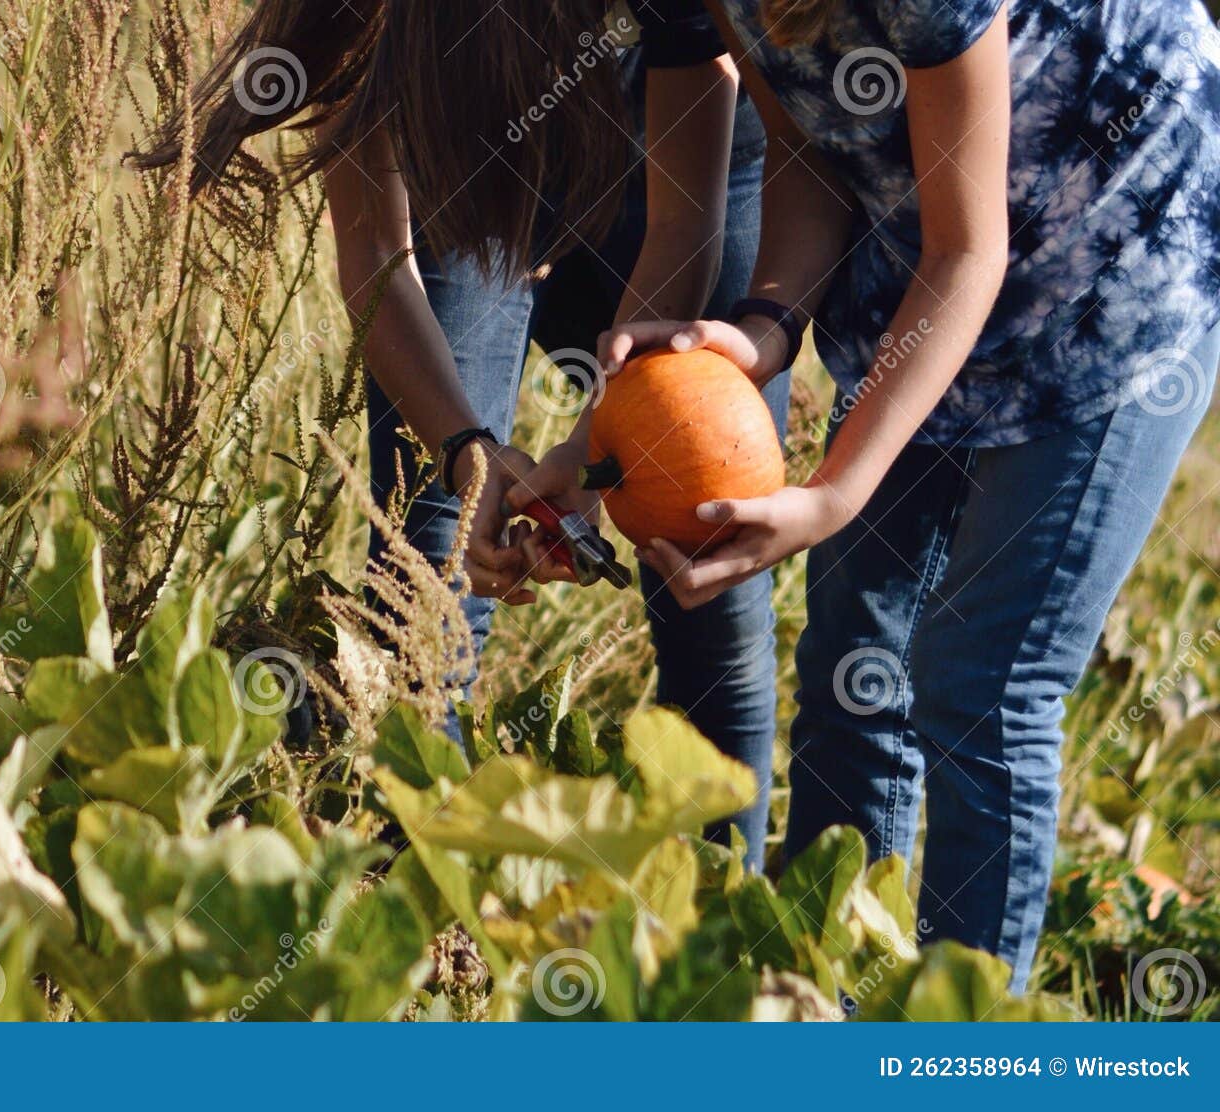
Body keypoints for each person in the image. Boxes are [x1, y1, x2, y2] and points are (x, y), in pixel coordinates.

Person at [522, 0, 1220, 990]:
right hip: (916, 261)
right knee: (855, 664)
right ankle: (820, 1010)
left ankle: (960, 1048)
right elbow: (806, 160)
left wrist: (836, 491)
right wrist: (757, 331)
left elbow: (969, 252)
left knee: (982, 681)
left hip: (1113, 254)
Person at [128, 1, 785, 863]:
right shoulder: (378, 22)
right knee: (433, 572)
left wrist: (599, 453)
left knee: (709, 570)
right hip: (476, 170)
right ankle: (429, 923)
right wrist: (465, 451)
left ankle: (720, 934)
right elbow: (375, 264)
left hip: (672, 178)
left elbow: (680, 224)